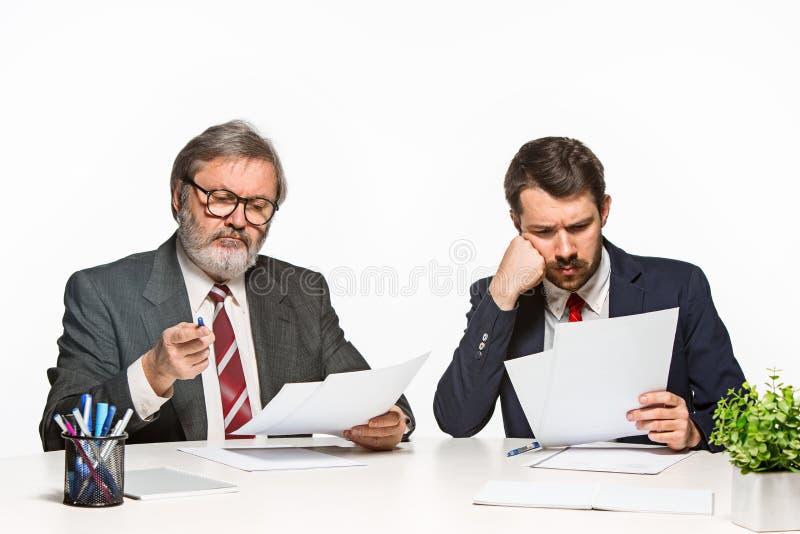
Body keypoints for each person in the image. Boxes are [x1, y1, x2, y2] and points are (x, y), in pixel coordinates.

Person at [40, 120, 413, 451]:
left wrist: (390, 421)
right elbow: (58, 434)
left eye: (258, 206)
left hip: (284, 509)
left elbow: (382, 401)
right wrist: (152, 373)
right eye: (220, 199)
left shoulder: (300, 290)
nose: (237, 220)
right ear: (178, 197)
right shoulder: (102, 292)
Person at [433, 137, 744, 451]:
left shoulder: (679, 286)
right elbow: (458, 421)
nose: (565, 250)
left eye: (580, 227)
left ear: (604, 211)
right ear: (517, 224)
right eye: (544, 232)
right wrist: (502, 294)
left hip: (649, 491)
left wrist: (693, 430)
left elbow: (738, 414)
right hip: (535, 492)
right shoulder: (499, 295)